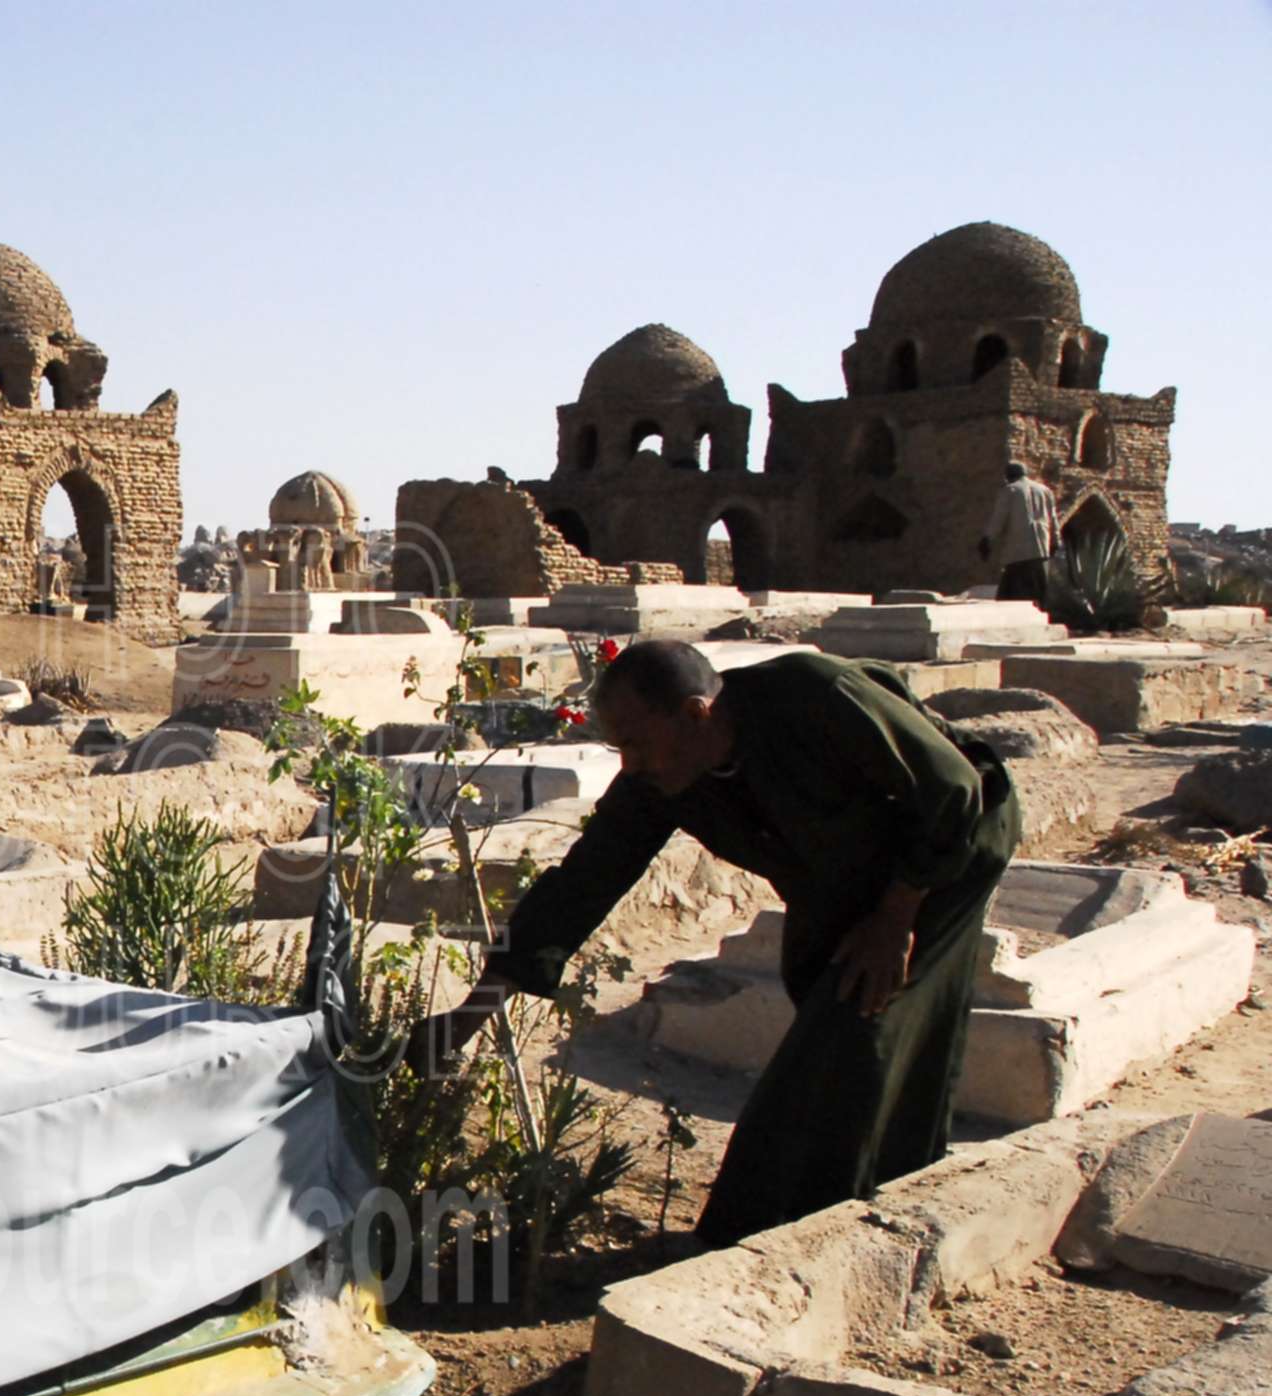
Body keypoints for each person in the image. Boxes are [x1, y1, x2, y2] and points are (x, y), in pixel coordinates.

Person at [410, 640, 1019, 1247]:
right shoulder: (659, 776)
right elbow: (579, 886)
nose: (629, 765)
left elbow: (953, 788)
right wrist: (469, 1017)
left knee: (857, 1020)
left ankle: (776, 1239)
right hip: (844, 879)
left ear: (696, 714)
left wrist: (894, 919)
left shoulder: (814, 697)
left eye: (635, 744)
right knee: (826, 1000)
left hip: (945, 850)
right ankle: (889, 1184)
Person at [979, 459, 1060, 602]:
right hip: (1041, 552)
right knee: (1040, 597)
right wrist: (1055, 542)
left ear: (1008, 476)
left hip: (1018, 554)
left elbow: (999, 519)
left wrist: (987, 540)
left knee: (1011, 599)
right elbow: (1053, 520)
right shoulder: (1045, 491)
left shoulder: (1010, 490)